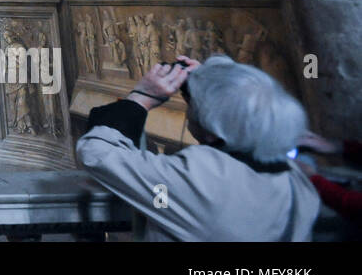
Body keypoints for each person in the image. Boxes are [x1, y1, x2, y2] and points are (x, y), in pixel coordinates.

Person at [76, 54, 319, 241]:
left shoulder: (199, 177)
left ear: (212, 132)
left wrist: (141, 97)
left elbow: (97, 151)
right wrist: (211, 80)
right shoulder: (295, 176)